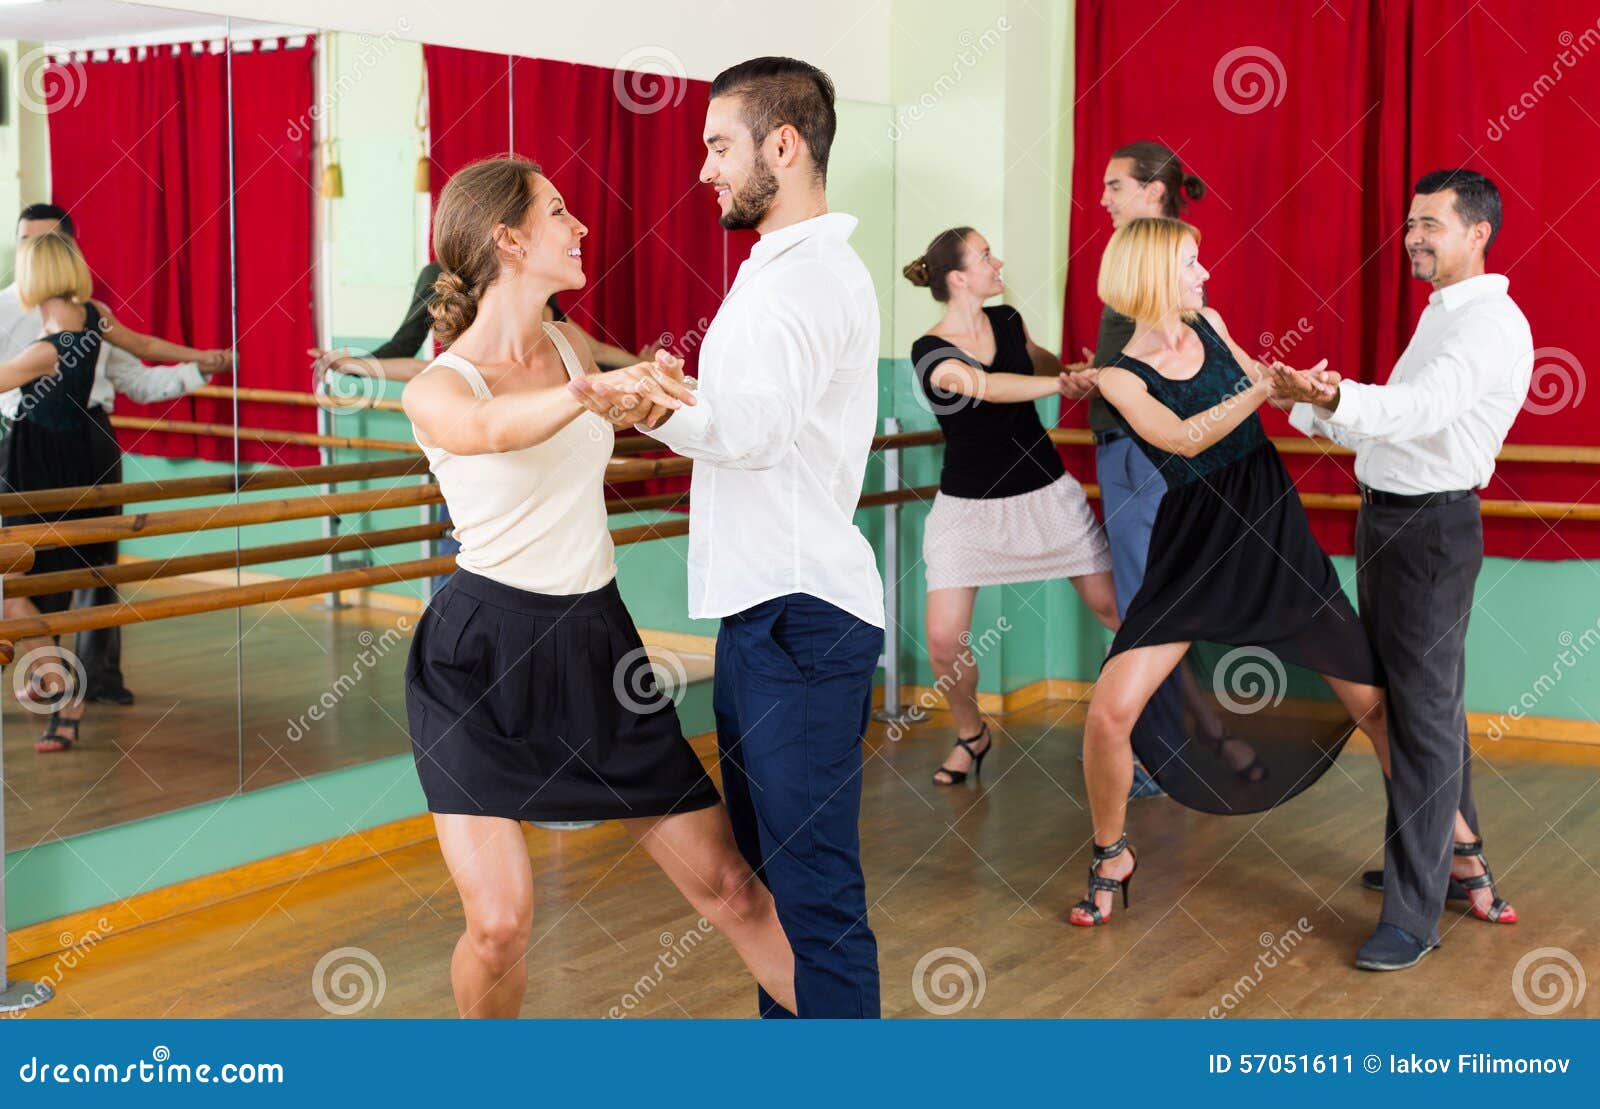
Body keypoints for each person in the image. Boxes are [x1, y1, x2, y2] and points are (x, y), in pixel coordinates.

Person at [401, 155, 796, 1019]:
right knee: (499, 923)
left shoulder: (570, 345)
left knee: (731, 886)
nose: (580, 226)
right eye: (558, 212)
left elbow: (631, 403)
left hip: (597, 643)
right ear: (508, 241)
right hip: (477, 659)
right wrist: (589, 396)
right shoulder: (438, 387)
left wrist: (649, 393)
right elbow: (489, 429)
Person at [571, 57, 885, 1018]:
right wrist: (678, 396)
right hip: (769, 614)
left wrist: (654, 408)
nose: (704, 168)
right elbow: (757, 415)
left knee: (812, 888)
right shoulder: (783, 270)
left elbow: (755, 433)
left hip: (800, 617)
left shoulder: (804, 280)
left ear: (782, 146)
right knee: (777, 887)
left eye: (719, 146)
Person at [1070, 215, 1397, 927]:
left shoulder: (1211, 324)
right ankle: (1111, 853)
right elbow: (1184, 439)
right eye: (1190, 262)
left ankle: (1452, 848)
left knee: (1375, 704)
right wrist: (1262, 390)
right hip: (1192, 549)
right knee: (1109, 715)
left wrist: (1301, 386)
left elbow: (1263, 388)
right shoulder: (1118, 377)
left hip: (1271, 532)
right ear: (1153, 274)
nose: (1204, 273)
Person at [1276, 169, 1528, 971]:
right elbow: (1393, 427)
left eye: (1431, 224)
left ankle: (1412, 918)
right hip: (1390, 522)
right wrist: (1304, 399)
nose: (1413, 236)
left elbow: (1416, 411)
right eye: (1411, 223)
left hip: (1429, 534)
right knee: (1425, 708)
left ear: (1478, 233)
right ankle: (1451, 862)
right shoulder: (1445, 314)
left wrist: (1332, 397)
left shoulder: (1486, 325)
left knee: (1421, 717)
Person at [903, 226, 1117, 786]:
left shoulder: (1008, 320)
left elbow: (1038, 364)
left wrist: (1073, 373)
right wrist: (1058, 389)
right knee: (945, 641)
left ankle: (1135, 725)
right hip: (967, 509)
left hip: (1045, 494)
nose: (998, 262)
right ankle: (971, 733)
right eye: (985, 256)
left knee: (1115, 609)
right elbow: (989, 387)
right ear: (958, 278)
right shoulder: (929, 351)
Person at [1, 230, 230, 751]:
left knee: (15, 594)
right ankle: (57, 687)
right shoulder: (94, 317)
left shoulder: (46, 350)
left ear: (34, 276)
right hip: (79, 457)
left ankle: (63, 693)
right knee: (34, 589)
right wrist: (204, 358)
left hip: (37, 465)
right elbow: (144, 346)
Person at [1076, 141, 1210, 801]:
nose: (1104, 197)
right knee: (1148, 601)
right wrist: (1103, 373)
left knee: (1145, 605)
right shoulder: (1143, 254)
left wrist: (1112, 378)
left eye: (1115, 185)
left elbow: (1176, 353)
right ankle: (1162, 748)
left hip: (1138, 449)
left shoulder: (1157, 257)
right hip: (1131, 446)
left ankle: (1152, 755)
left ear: (1153, 190)